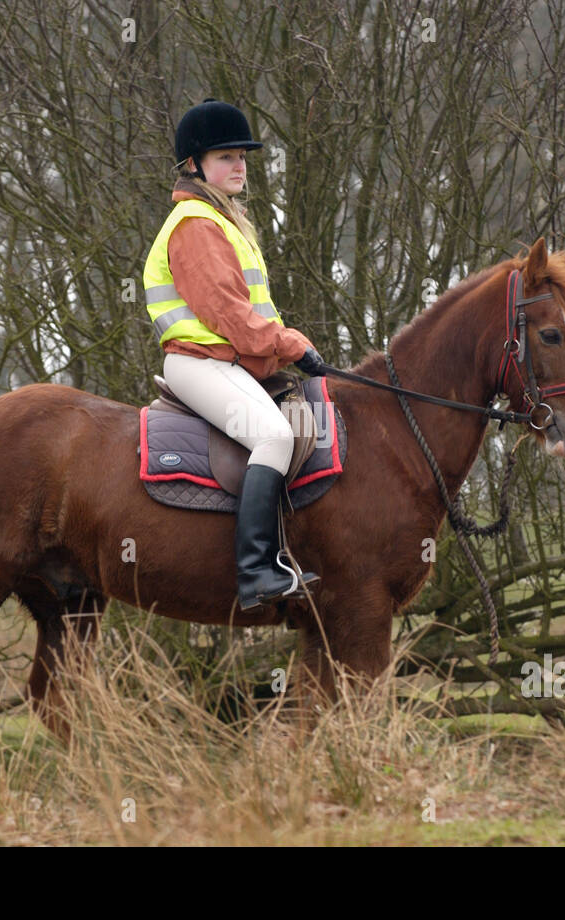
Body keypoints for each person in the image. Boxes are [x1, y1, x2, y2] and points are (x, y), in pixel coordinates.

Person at [143, 98, 327, 611]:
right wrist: (295, 346)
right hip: (200, 364)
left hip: (226, 364)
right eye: (225, 156)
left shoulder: (225, 222)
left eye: (242, 156)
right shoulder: (196, 225)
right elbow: (230, 316)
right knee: (274, 434)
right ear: (193, 165)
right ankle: (255, 572)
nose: (240, 165)